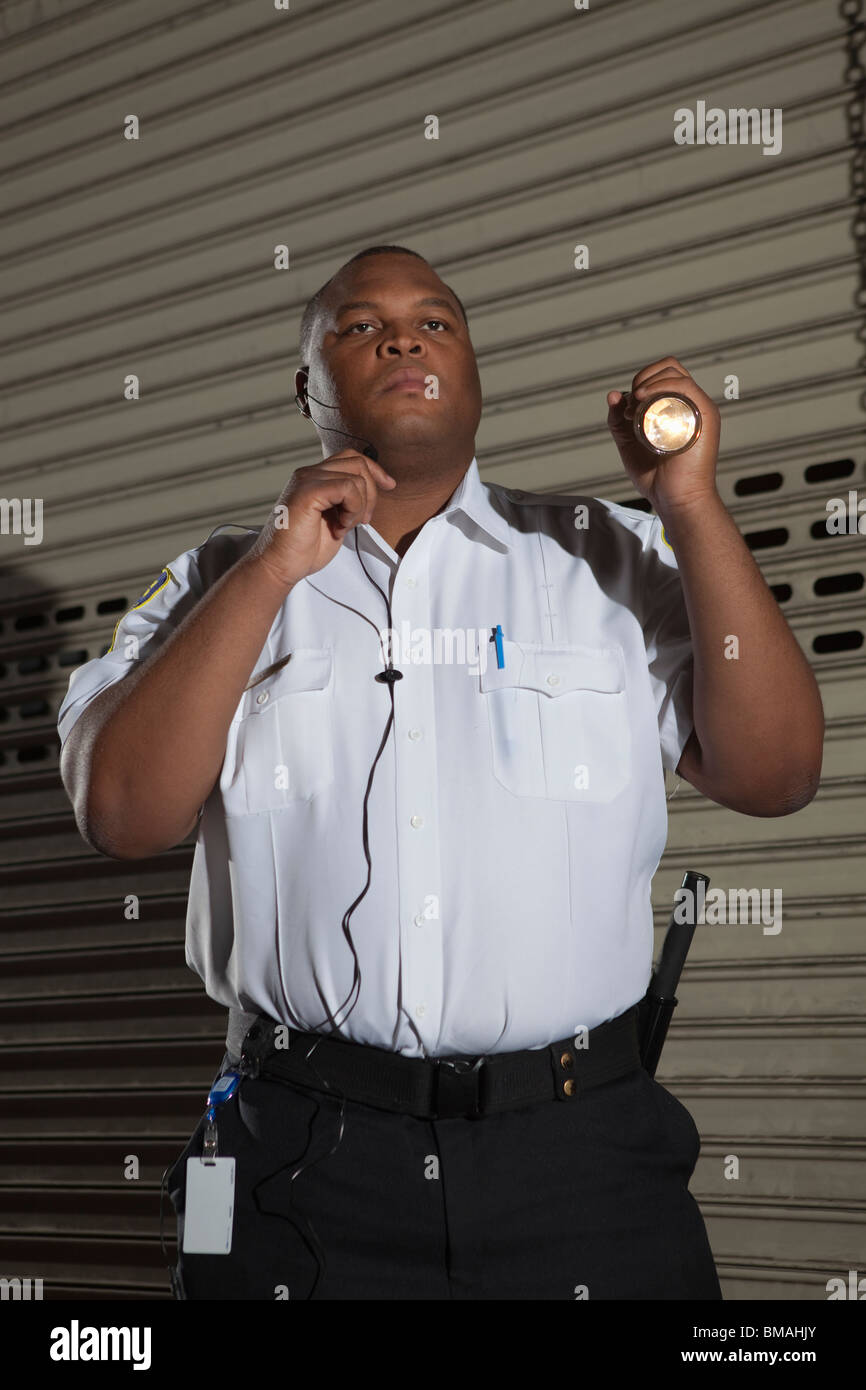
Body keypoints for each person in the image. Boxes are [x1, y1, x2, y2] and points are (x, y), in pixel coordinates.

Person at [57, 244, 824, 1300]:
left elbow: (776, 771)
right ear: (306, 387)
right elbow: (123, 813)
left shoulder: (608, 555)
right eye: (357, 325)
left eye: (435, 321)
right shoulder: (212, 581)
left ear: (471, 373)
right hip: (290, 1154)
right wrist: (274, 566)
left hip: (581, 1158)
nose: (403, 336)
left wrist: (686, 505)